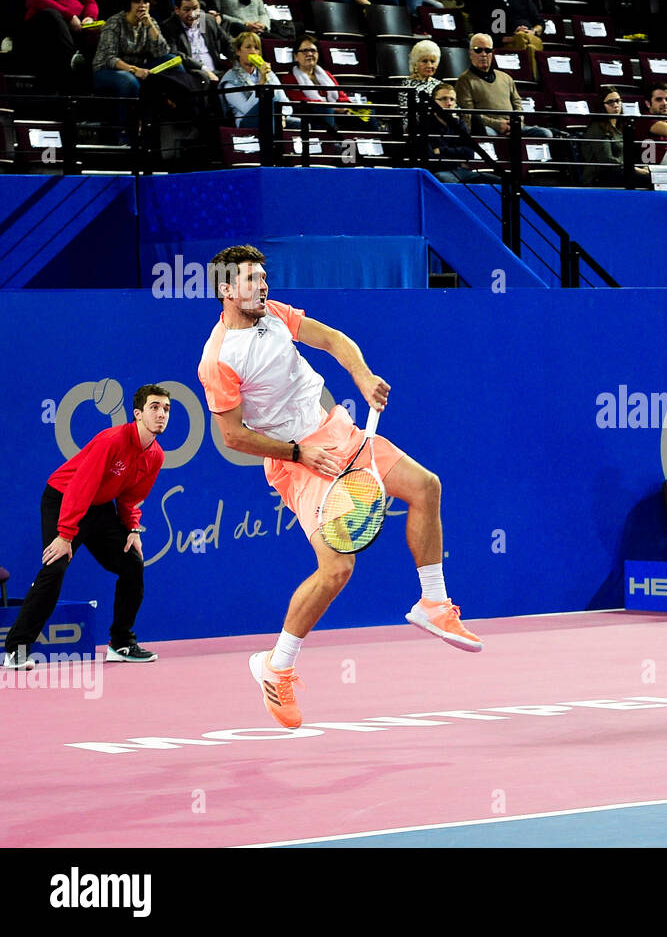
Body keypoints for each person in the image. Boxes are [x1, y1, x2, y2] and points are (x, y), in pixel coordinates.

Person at [198, 245, 481, 730]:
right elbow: (232, 435)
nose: (263, 286)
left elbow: (331, 339)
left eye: (264, 277)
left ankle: (433, 603)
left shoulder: (275, 314)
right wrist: (296, 453)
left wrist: (364, 375)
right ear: (226, 291)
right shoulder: (218, 359)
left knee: (425, 487)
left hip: (338, 429)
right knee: (337, 570)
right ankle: (277, 665)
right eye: (251, 280)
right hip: (297, 460)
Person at [3, 385, 171, 670]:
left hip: (99, 507)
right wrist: (65, 535)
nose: (161, 414)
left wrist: (132, 528)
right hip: (63, 497)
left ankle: (121, 643)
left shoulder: (155, 455)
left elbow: (131, 497)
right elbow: (82, 486)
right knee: (55, 568)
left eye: (166, 409)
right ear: (138, 414)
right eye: (154, 407)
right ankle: (16, 650)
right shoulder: (112, 440)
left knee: (132, 563)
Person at [454, 32, 553, 138]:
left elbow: (518, 105)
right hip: (488, 127)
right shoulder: (464, 80)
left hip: (513, 126)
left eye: (488, 50)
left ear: (492, 53)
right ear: (470, 53)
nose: (483, 54)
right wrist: (497, 125)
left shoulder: (506, 78)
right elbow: (470, 115)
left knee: (545, 134)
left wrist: (516, 124)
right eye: (478, 50)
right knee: (488, 134)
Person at [20, 0, 99, 95]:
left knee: (100, 28)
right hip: (45, 22)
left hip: (77, 23)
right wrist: (69, 16)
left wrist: (89, 17)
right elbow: (38, 0)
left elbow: (90, 2)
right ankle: (71, 67)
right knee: (52, 16)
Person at [422, 81, 499, 182]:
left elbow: (469, 152)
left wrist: (442, 150)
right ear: (433, 102)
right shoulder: (424, 124)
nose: (449, 103)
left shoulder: (459, 124)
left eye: (452, 100)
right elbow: (431, 159)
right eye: (443, 99)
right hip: (440, 172)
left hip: (461, 170)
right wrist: (458, 161)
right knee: (453, 182)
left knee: (498, 181)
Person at [160, 0, 235, 87]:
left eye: (195, 8)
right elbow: (176, 54)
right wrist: (203, 68)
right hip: (191, 73)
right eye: (187, 10)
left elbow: (227, 43)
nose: (192, 14)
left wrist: (239, 59)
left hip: (216, 70)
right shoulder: (169, 26)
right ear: (177, 10)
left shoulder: (207, 21)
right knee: (203, 79)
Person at [219, 30, 293, 128]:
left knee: (302, 124)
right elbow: (247, 109)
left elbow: (284, 101)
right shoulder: (230, 80)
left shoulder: (268, 73)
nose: (253, 51)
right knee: (269, 102)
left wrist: (282, 115)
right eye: (248, 47)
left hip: (274, 117)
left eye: (256, 48)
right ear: (238, 51)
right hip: (246, 121)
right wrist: (261, 83)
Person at [472, 0, 543, 79]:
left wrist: (533, 31)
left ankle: (531, 78)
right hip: (504, 43)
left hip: (530, 37)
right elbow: (481, 32)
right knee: (523, 39)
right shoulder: (483, 2)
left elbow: (540, 23)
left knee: (527, 41)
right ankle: (533, 78)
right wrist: (512, 38)